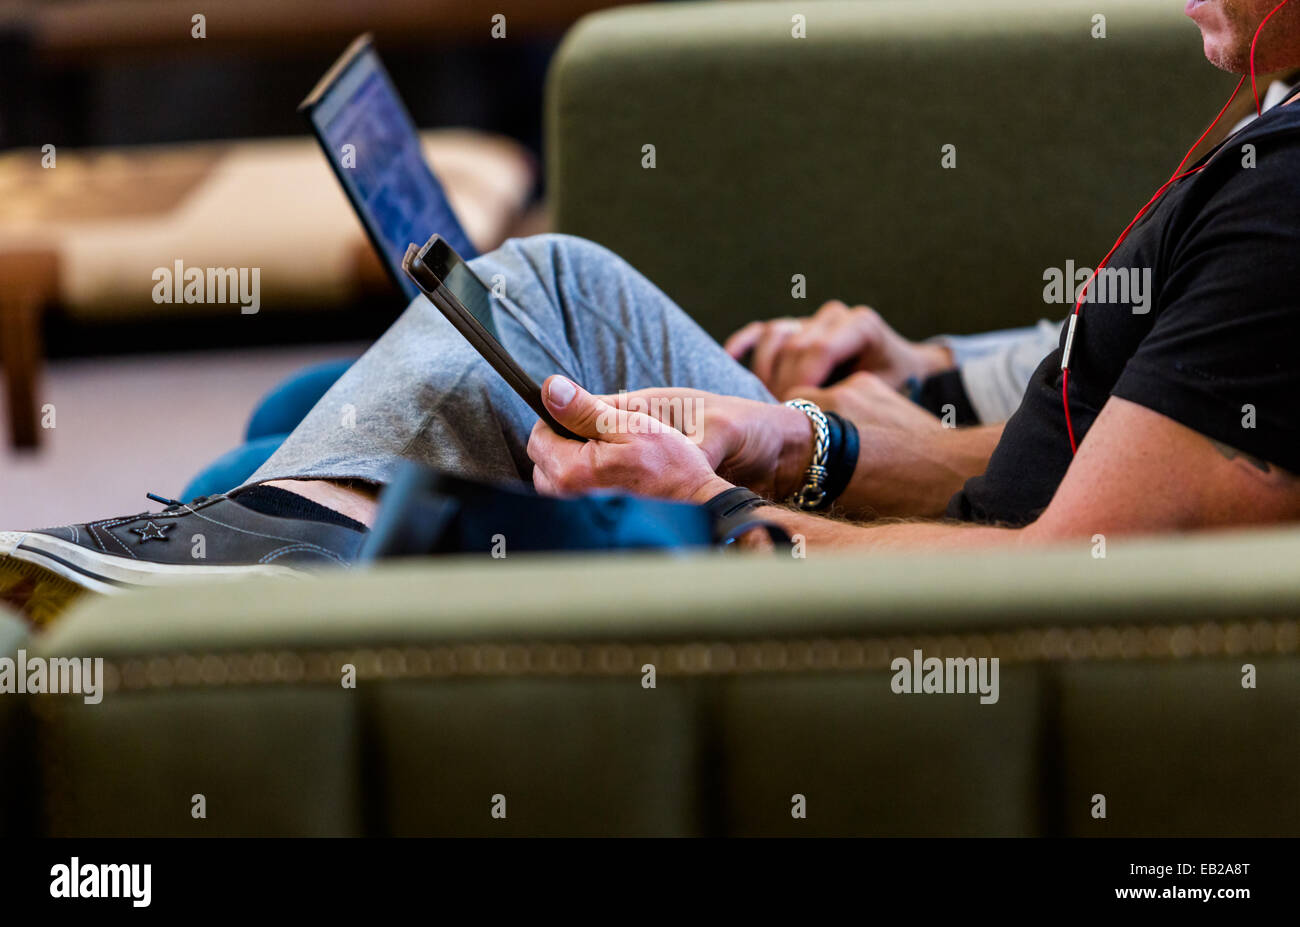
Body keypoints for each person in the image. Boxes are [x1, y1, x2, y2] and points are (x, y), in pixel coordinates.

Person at [4, 0, 1300, 623]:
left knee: (419, 417)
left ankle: (231, 577)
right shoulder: (1268, 136)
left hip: (929, 627)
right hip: (949, 507)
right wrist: (802, 447)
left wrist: (721, 521)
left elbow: (1096, 579)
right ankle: (254, 546)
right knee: (404, 385)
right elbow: (1094, 440)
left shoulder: (1285, 207)